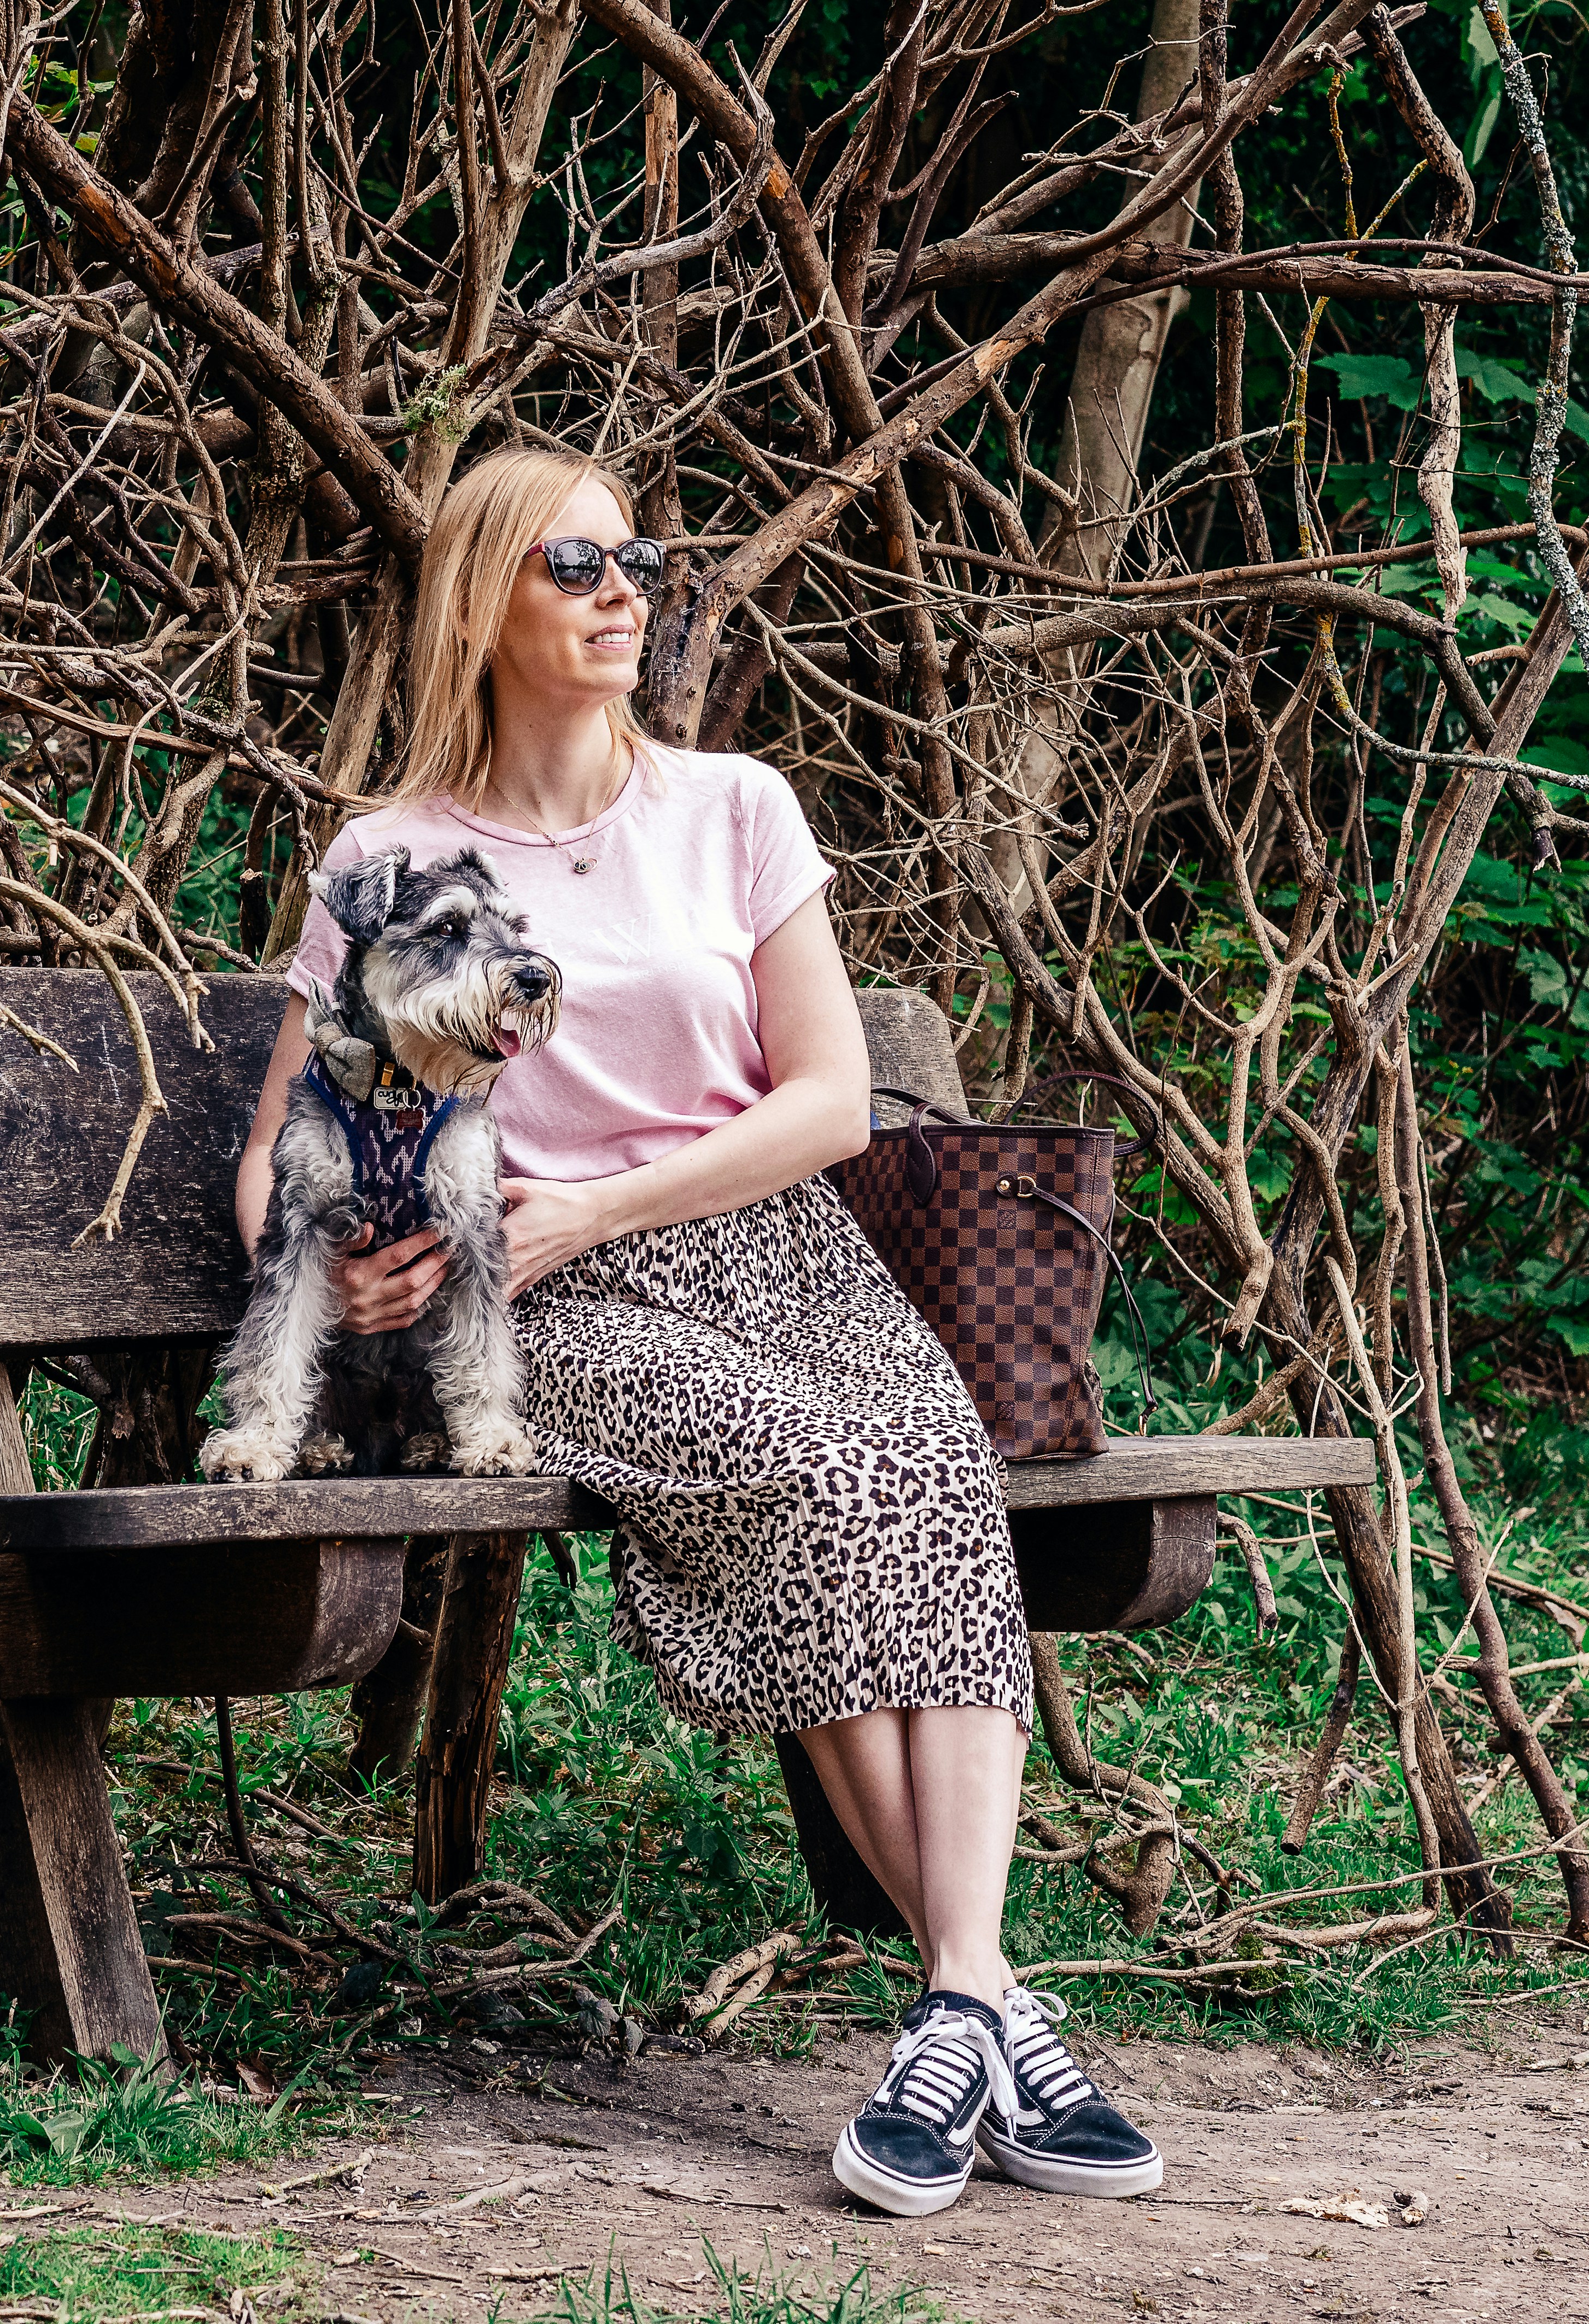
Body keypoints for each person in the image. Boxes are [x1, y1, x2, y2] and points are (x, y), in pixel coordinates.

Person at [235, 446, 1162, 2217]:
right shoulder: (392, 855)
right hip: (544, 1298)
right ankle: (996, 2021)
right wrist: (334, 1258)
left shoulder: (734, 804)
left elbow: (825, 1103)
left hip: (784, 1256)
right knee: (827, 1477)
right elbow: (277, 1146)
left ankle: (962, 1996)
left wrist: (604, 1196)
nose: (621, 588)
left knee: (931, 1463)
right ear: (483, 596)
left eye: (637, 557)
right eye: (573, 562)